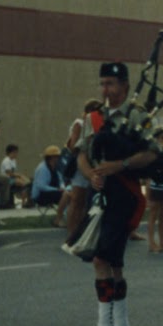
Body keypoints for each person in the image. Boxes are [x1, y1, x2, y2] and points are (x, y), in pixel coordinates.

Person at [77, 61, 160, 326]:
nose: (105, 90)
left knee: (101, 259)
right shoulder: (94, 117)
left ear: (125, 86)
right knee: (113, 262)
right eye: (102, 84)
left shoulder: (138, 116)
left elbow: (153, 154)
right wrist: (92, 175)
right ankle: (121, 324)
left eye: (110, 84)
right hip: (99, 192)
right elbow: (82, 154)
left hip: (125, 193)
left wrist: (120, 165)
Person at [60, 100, 101, 239]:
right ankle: (71, 232)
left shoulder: (96, 126)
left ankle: (80, 231)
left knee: (84, 201)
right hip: (79, 165)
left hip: (91, 164)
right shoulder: (80, 124)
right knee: (77, 199)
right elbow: (73, 146)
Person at [31, 145, 65, 209]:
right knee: (65, 196)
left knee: (69, 194)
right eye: (57, 156)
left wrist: (63, 187)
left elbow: (61, 181)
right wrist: (57, 189)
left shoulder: (57, 168)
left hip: (53, 192)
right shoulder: (42, 168)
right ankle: (63, 215)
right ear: (51, 157)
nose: (59, 158)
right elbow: (41, 186)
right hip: (41, 195)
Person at [0, 143, 29, 209]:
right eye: (16, 152)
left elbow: (14, 173)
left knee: (27, 183)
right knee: (23, 183)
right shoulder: (6, 161)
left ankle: (25, 202)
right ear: (12, 152)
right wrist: (20, 176)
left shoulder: (13, 160)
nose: (16, 154)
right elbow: (9, 173)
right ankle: (24, 203)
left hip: (12, 179)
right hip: (7, 180)